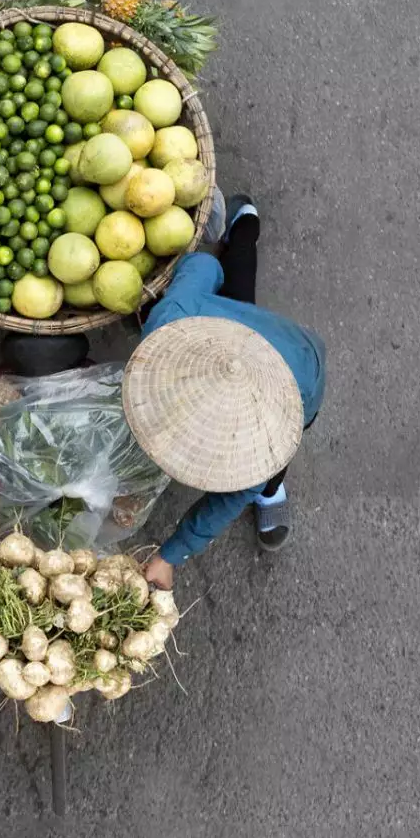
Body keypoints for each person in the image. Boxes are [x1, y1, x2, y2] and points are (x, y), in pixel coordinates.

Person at [121, 195, 326, 589]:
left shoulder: (271, 429)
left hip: (297, 358)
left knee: (278, 458)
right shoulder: (169, 324)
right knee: (239, 296)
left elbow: (201, 266)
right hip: (231, 332)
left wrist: (171, 554)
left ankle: (270, 491)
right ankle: (245, 223)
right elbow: (204, 265)